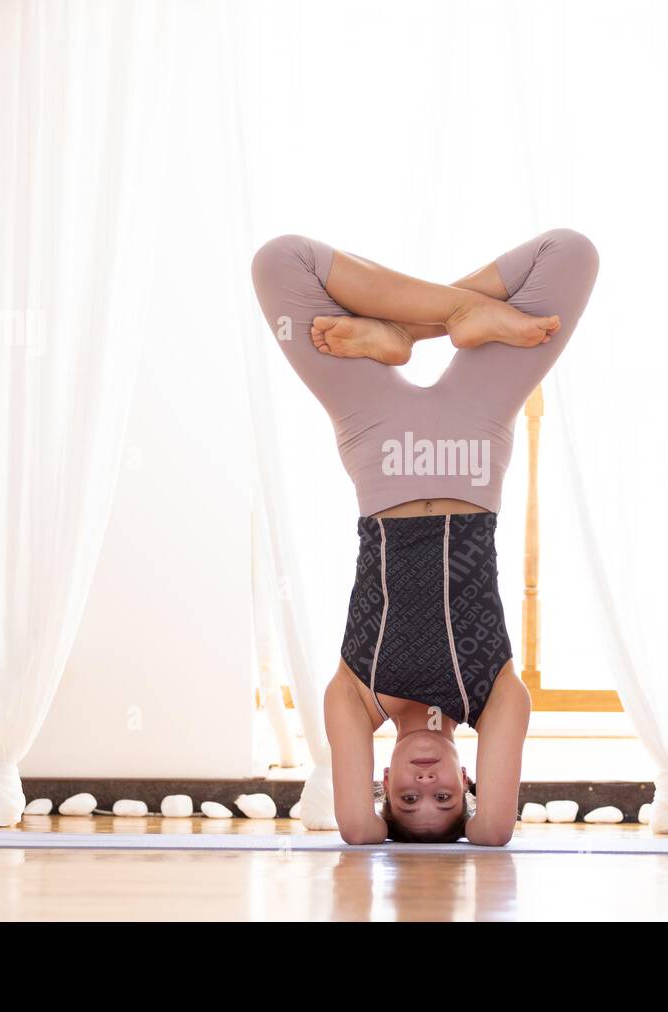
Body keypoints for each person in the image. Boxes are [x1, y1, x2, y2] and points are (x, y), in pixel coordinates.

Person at [250, 229, 599, 844]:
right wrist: (469, 816)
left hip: (380, 441)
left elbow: (359, 831)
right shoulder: (494, 696)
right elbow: (492, 833)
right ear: (471, 779)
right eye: (444, 796)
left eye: (408, 798)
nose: (426, 782)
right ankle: (448, 316)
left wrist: (405, 334)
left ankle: (413, 330)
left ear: (380, 779)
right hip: (473, 435)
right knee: (572, 254)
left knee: (279, 261)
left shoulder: (359, 693)